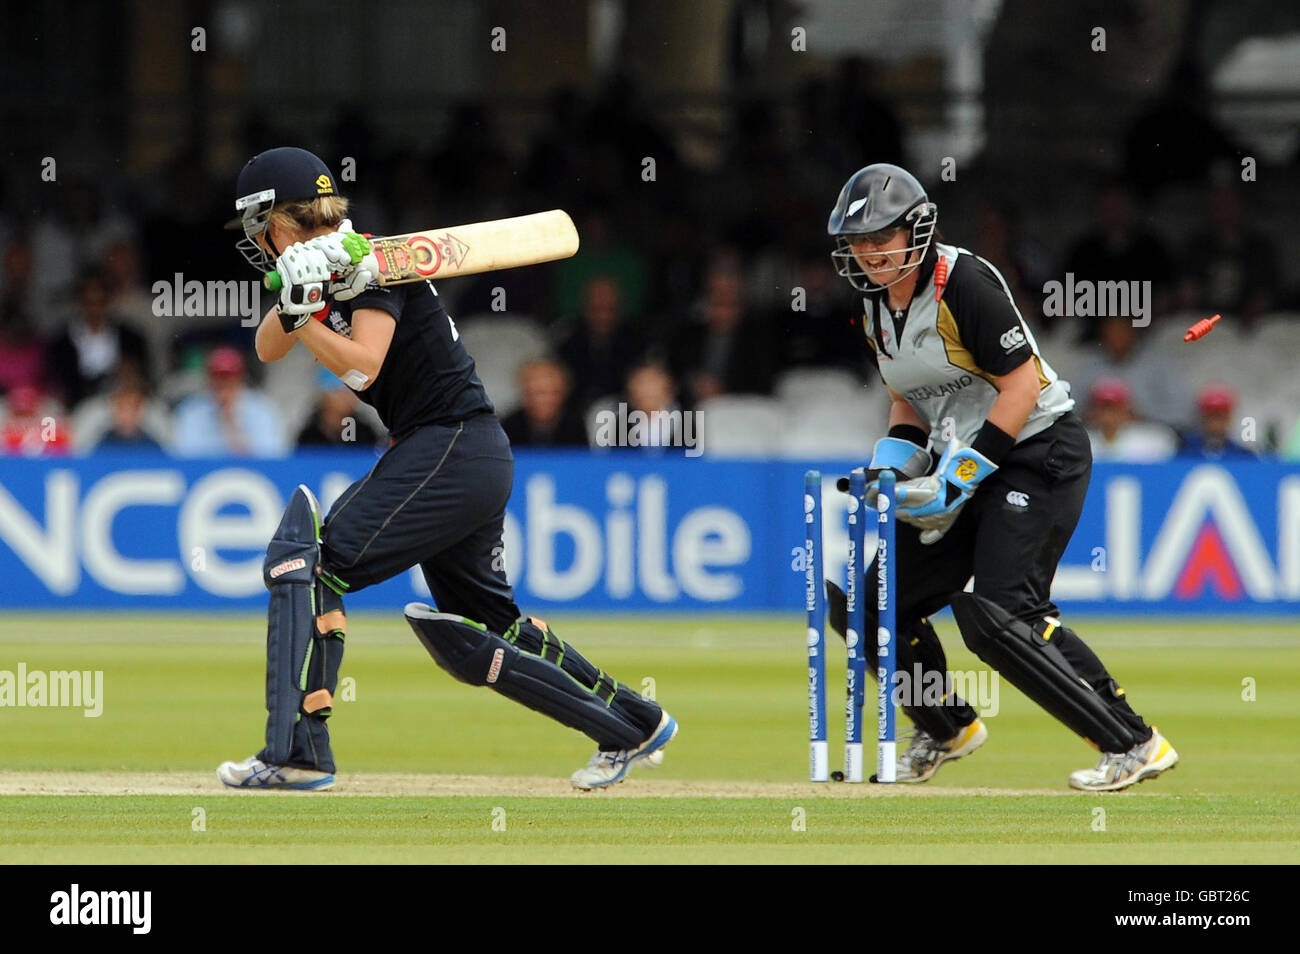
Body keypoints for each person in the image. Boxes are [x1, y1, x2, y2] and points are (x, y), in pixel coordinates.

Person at [216, 147, 675, 791]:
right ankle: (634, 720)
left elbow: (362, 367)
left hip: (449, 445)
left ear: (281, 217)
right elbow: (267, 348)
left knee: (310, 561)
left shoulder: (373, 265)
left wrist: (305, 314)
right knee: (490, 630)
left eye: (259, 225)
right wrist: (298, 299)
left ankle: (297, 752)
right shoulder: (326, 268)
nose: (257, 242)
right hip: (469, 452)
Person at [822, 163, 1177, 791]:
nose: (870, 254)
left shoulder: (964, 282)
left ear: (916, 229)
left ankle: (1134, 742)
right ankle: (944, 727)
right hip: (968, 456)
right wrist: (887, 470)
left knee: (1000, 610)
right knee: (869, 605)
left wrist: (956, 480)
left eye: (882, 237)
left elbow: (1021, 386)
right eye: (859, 243)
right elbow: (909, 401)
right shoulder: (875, 307)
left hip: (1038, 453)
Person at [172, 346, 288, 458]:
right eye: (217, 377)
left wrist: (231, 423)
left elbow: (272, 460)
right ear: (208, 378)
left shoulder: (263, 410)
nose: (223, 384)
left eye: (229, 378)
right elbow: (184, 459)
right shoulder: (191, 412)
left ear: (240, 377)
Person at [500, 357, 589, 447]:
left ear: (564, 394)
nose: (546, 400)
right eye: (539, 392)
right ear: (525, 394)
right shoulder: (508, 427)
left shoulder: (576, 426)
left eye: (554, 392)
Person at [1177, 384, 1257, 461]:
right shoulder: (1184, 453)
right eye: (1210, 416)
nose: (1215, 423)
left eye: (1220, 417)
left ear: (1229, 417)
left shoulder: (1243, 456)